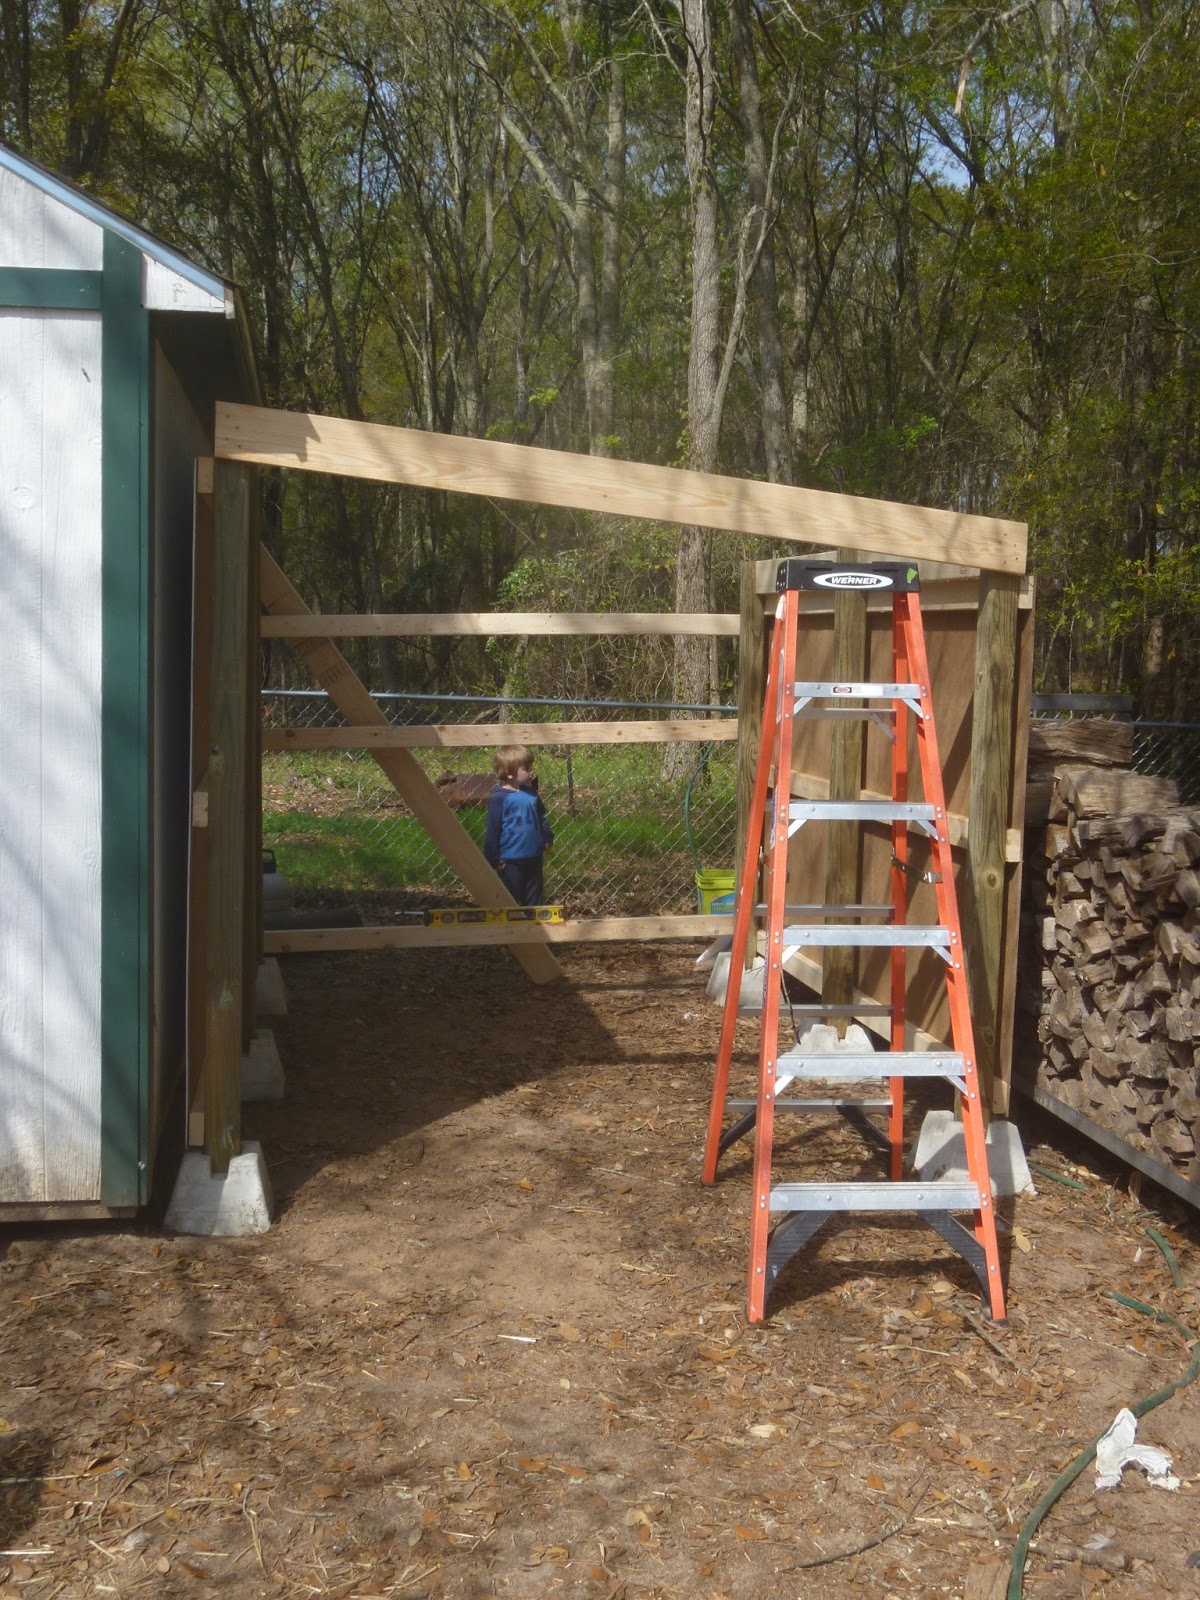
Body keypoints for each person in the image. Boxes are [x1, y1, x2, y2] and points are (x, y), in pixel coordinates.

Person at [483, 744, 553, 907]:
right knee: (510, 901)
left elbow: (540, 817)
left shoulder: (531, 793)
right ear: (509, 774)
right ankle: (511, 930)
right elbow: (493, 829)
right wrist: (493, 858)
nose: (531, 772)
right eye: (526, 769)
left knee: (534, 902)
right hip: (510, 862)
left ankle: (533, 929)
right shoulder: (499, 798)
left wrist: (547, 835)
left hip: (534, 858)